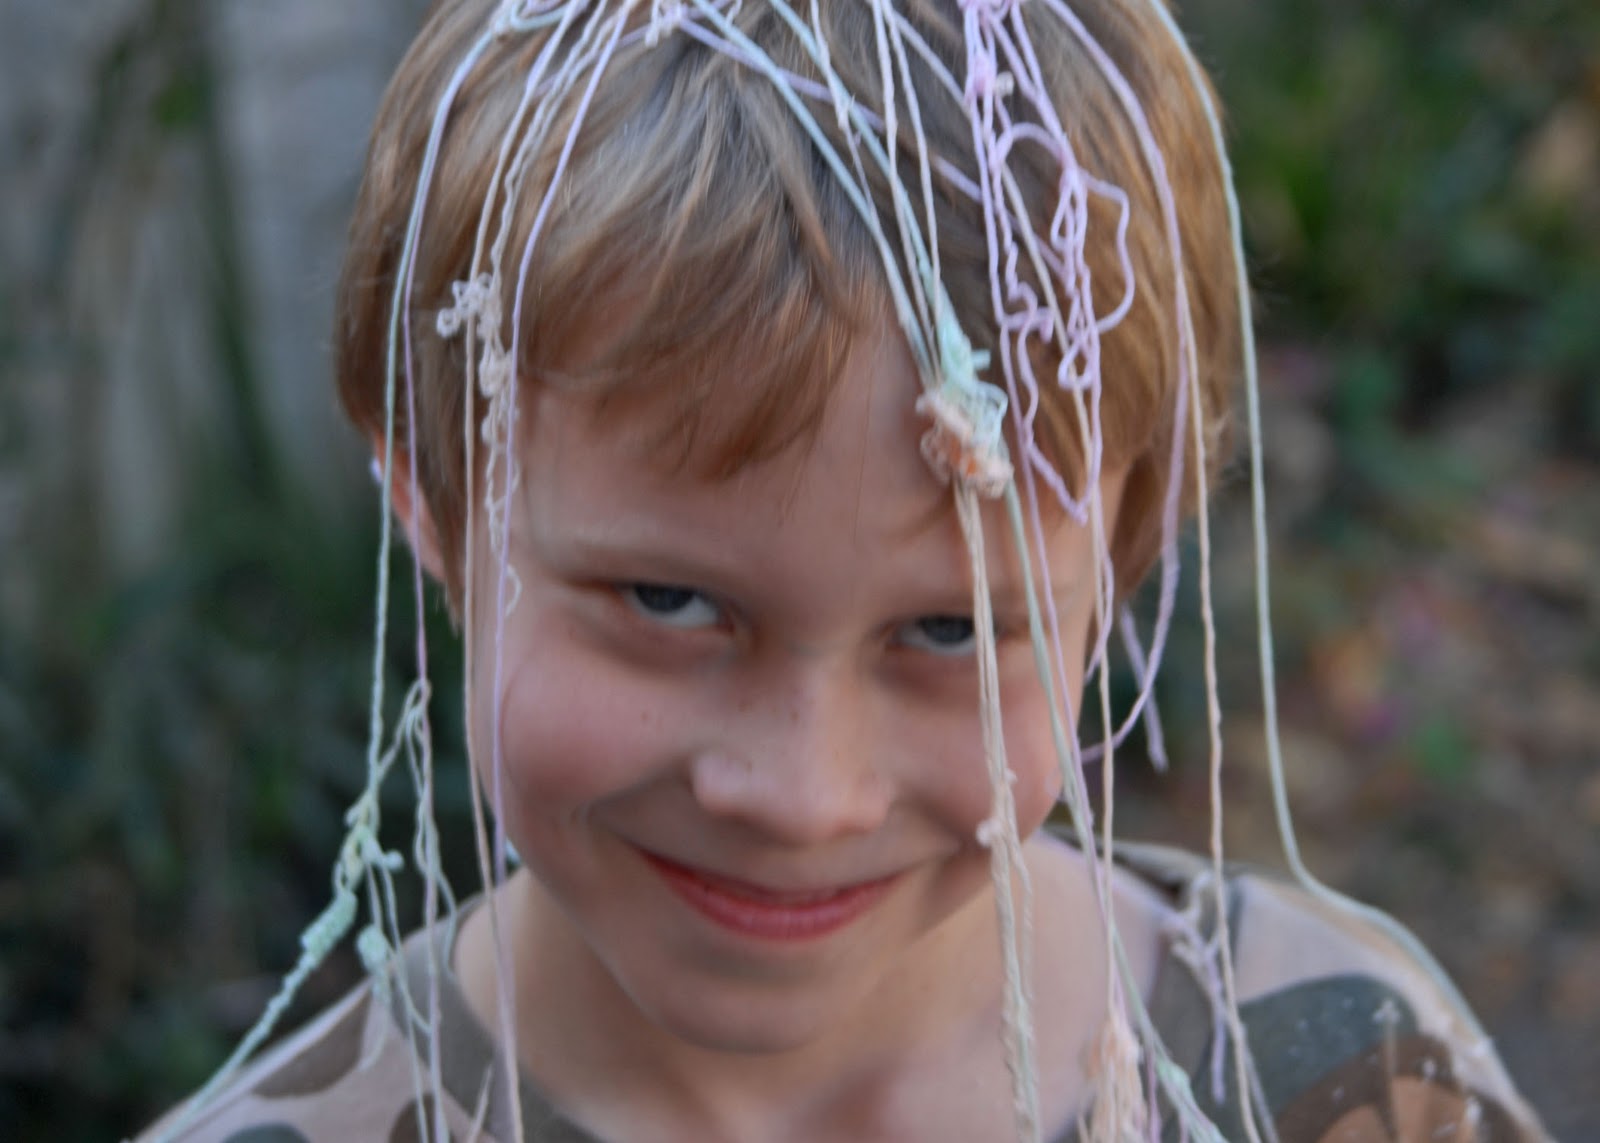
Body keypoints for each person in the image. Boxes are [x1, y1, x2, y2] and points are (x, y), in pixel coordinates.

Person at [140, 0, 1546, 1139]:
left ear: (1125, 554)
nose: (807, 798)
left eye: (949, 629)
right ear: (429, 504)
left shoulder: (1349, 1077)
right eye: (670, 603)